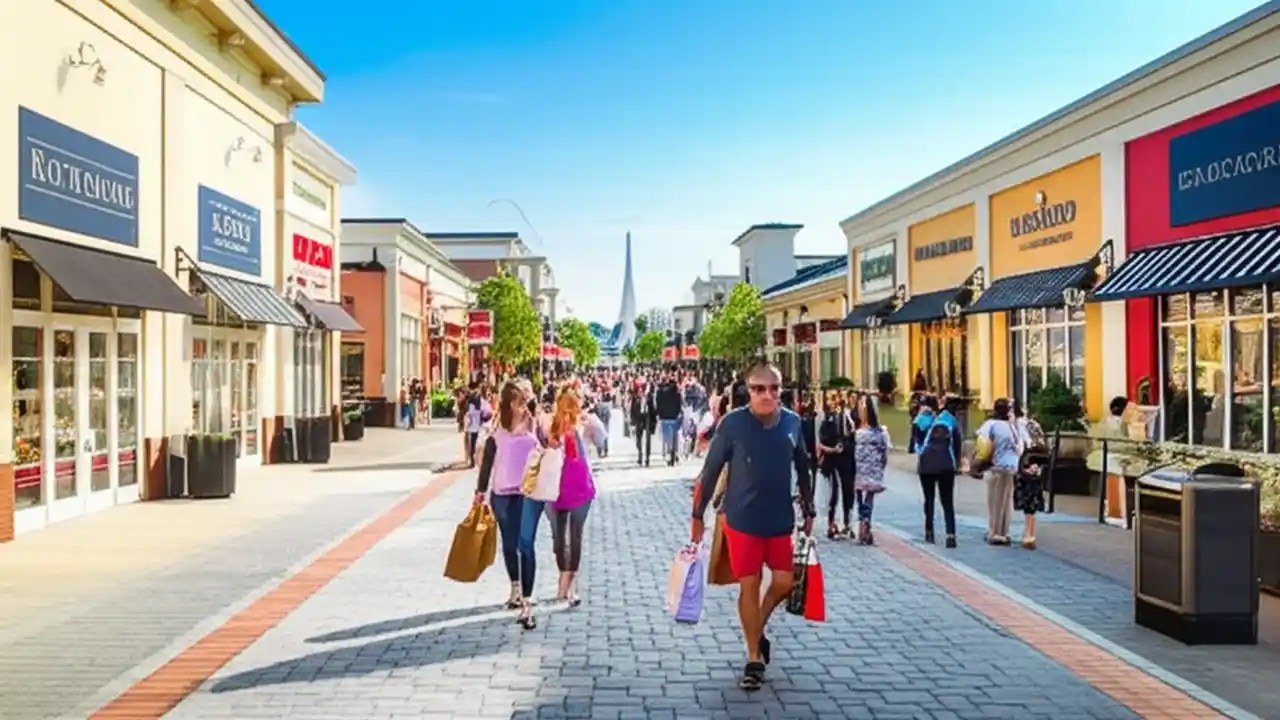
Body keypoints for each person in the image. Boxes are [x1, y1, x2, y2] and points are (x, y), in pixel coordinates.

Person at [691, 361, 816, 692]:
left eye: (774, 388)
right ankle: (753, 657)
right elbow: (710, 469)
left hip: (779, 519)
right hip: (742, 520)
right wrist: (696, 517)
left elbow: (803, 466)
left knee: (786, 581)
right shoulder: (733, 424)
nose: (767, 395)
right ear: (748, 390)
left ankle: (755, 627)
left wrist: (809, 506)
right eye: (759, 388)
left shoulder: (792, 422)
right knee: (750, 583)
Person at [474, 381, 541, 612]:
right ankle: (515, 589)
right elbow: (487, 465)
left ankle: (527, 593)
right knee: (510, 544)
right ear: (510, 403)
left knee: (526, 543)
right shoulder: (497, 433)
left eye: (525, 401)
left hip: (526, 495)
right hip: (502, 496)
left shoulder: (533, 426)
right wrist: (480, 492)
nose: (524, 405)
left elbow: (542, 455)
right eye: (520, 401)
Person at [547, 388, 601, 607]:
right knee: (562, 538)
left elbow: (601, 439)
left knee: (571, 536)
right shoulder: (553, 430)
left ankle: (570, 582)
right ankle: (566, 579)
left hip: (579, 490)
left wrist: (589, 423)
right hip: (558, 490)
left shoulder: (583, 426)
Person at [978, 398, 1029, 546]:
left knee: (994, 501)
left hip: (996, 467)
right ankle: (1004, 532)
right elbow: (1022, 446)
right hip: (1011, 467)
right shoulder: (1013, 426)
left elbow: (983, 445)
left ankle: (994, 533)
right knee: (1006, 502)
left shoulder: (991, 425)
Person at [912, 394, 961, 548]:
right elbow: (957, 446)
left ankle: (929, 531)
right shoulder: (949, 421)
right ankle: (950, 534)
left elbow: (916, 444)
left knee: (929, 499)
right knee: (947, 501)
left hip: (927, 465)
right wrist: (956, 464)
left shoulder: (919, 421)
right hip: (946, 464)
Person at [853, 395, 890, 545]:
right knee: (869, 497)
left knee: (860, 497)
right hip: (873, 468)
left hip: (859, 468)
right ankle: (866, 521)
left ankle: (862, 521)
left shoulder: (858, 432)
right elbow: (884, 451)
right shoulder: (879, 432)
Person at [655, 374, 683, 466]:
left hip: (665, 418)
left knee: (667, 439)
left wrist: (659, 414)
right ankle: (674, 454)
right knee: (675, 438)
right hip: (674, 418)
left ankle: (669, 455)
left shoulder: (662, 392)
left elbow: (658, 404)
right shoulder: (677, 393)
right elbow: (680, 405)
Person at [630, 380, 655, 466]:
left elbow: (653, 408)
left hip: (647, 417)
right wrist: (632, 419)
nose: (641, 389)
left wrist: (653, 422)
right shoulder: (635, 396)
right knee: (638, 438)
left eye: (643, 387)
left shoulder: (649, 396)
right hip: (638, 418)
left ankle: (647, 458)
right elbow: (632, 408)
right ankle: (640, 454)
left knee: (648, 439)